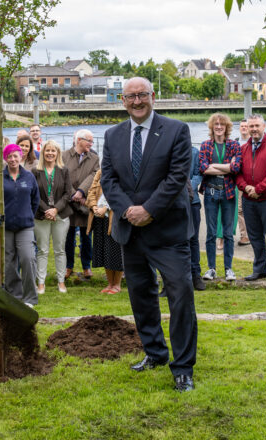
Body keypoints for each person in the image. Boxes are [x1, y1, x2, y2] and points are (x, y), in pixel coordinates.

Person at [100, 77, 197, 392]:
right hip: (131, 232)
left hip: (168, 231)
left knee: (180, 296)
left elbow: (177, 176)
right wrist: (129, 210)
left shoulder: (176, 130)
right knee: (141, 298)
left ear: (153, 96)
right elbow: (109, 179)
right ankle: (154, 352)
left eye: (142, 95)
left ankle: (182, 368)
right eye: (131, 96)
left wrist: (149, 210)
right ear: (122, 100)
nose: (137, 101)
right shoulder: (113, 135)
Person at [236, 114, 266, 287]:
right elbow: (238, 173)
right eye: (251, 126)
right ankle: (259, 269)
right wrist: (246, 188)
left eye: (257, 125)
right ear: (247, 129)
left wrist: (259, 189)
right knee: (255, 236)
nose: (254, 129)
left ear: (264, 126)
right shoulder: (243, 149)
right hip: (250, 199)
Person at [0, 143, 39, 307]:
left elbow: (35, 200)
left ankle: (30, 298)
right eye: (9, 156)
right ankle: (15, 295)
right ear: (5, 158)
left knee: (28, 258)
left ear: (21, 156)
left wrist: (27, 215)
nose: (12, 159)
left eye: (15, 155)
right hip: (6, 227)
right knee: (9, 261)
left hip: (25, 226)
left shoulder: (29, 177)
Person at [198, 114, 241, 282]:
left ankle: (228, 269)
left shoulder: (233, 145)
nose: (218, 127)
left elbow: (236, 168)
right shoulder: (206, 145)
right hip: (211, 192)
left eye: (222, 124)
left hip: (229, 192)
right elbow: (203, 168)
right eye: (216, 124)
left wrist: (213, 165)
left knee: (228, 233)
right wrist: (226, 167)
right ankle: (211, 268)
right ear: (211, 127)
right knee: (211, 232)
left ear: (227, 127)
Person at [33, 140, 72, 294]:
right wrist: (47, 210)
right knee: (42, 250)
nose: (50, 153)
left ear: (58, 153)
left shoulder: (64, 170)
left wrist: (55, 209)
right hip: (41, 216)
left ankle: (61, 282)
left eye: (53, 151)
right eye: (47, 150)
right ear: (43, 153)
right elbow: (34, 193)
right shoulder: (36, 171)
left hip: (60, 215)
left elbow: (68, 193)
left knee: (59, 250)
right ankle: (41, 283)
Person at [60, 129, 99, 282]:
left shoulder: (94, 158)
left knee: (86, 236)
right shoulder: (63, 155)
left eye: (92, 141)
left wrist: (82, 192)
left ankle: (86, 266)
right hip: (68, 203)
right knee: (68, 237)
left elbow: (94, 176)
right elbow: (62, 176)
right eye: (89, 140)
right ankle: (68, 266)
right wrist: (73, 194)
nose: (91, 143)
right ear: (79, 140)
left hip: (84, 204)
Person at [87, 170, 123, 293]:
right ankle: (109, 284)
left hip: (114, 217)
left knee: (115, 251)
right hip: (99, 218)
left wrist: (106, 207)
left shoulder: (122, 171)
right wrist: (94, 206)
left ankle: (117, 285)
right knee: (104, 250)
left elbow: (123, 193)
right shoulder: (100, 172)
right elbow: (91, 191)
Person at [186, 144, 205, 290]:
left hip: (192, 201)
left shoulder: (194, 152)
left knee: (193, 239)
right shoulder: (167, 151)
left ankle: (195, 274)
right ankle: (175, 278)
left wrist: (187, 188)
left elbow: (199, 173)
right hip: (171, 203)